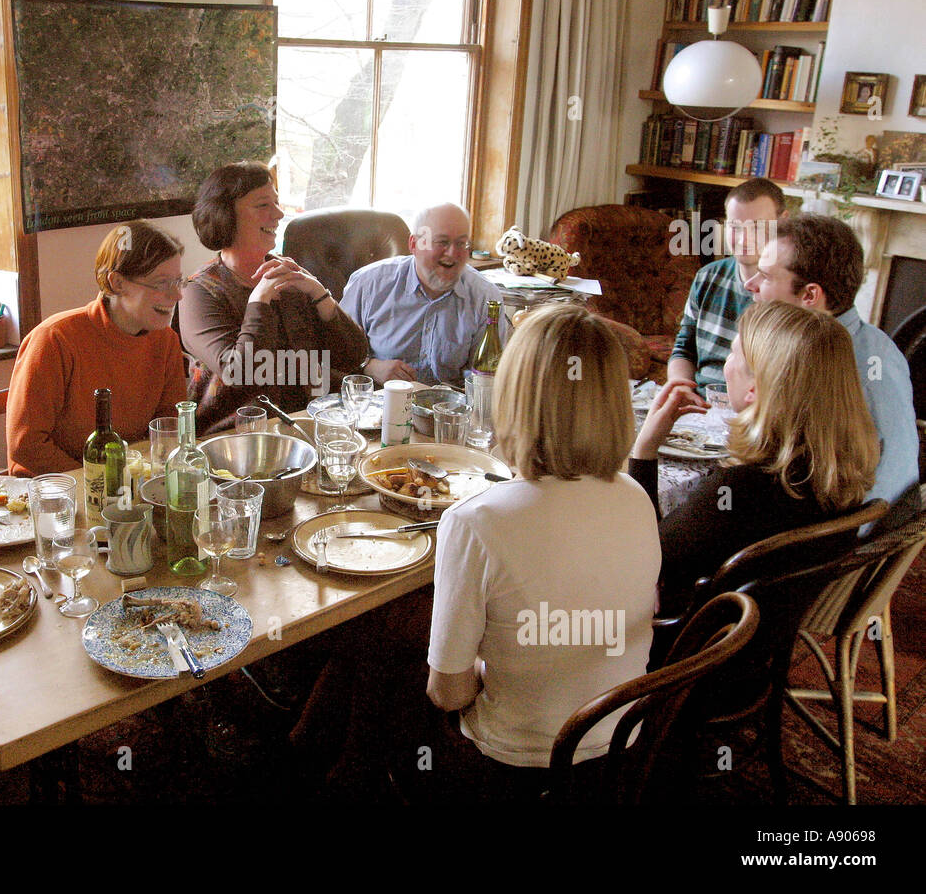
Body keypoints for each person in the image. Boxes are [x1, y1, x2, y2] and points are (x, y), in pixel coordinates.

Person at [426, 303, 659, 800]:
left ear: (513, 397)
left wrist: (493, 665)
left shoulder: (476, 522)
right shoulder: (638, 498)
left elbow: (448, 695)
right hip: (621, 749)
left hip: (513, 769)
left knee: (384, 664)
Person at [632, 301, 880, 622]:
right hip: (756, 650)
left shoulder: (743, 489)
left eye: (734, 354)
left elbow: (644, 556)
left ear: (754, 388)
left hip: (688, 656)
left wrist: (645, 448)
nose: (725, 363)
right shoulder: (837, 471)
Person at [744, 213, 919, 527]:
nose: (749, 284)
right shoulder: (877, 342)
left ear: (810, 295)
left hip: (843, 542)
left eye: (766, 276)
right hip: (880, 529)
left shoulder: (823, 366)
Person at [179, 161, 370, 435]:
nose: (279, 214)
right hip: (235, 440)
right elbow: (239, 374)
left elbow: (353, 357)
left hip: (308, 425)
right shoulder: (198, 292)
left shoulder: (291, 276)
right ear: (226, 215)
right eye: (263, 205)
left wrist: (320, 295)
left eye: (277, 203)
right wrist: (259, 302)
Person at [7, 220, 189, 474]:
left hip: (127, 485)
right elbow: (25, 445)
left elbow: (170, 429)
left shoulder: (165, 340)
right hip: (55, 492)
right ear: (117, 283)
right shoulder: (54, 339)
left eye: (179, 281)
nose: (177, 295)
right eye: (161, 283)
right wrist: (101, 483)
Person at [340, 202, 499, 386]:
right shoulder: (369, 284)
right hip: (379, 404)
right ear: (414, 244)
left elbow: (490, 377)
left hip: (451, 408)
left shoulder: (485, 296)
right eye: (442, 242)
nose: (452, 253)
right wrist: (368, 366)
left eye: (461, 243)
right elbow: (337, 352)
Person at [668, 177, 785, 391]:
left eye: (757, 227)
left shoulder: (788, 290)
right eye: (734, 226)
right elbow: (684, 349)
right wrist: (681, 390)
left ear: (782, 222)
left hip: (752, 411)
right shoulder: (706, 276)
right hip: (699, 404)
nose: (743, 239)